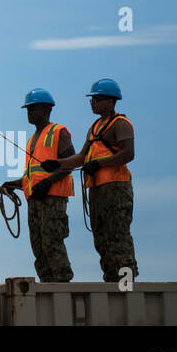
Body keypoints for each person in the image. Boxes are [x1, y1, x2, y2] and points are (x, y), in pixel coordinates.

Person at [43, 78, 138, 283]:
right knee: (101, 237)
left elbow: (128, 154)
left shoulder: (120, 124)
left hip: (116, 189)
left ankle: (127, 285)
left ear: (111, 101)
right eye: (92, 99)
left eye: (97, 99)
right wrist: (58, 163)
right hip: (97, 190)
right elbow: (81, 158)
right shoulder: (94, 127)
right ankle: (112, 281)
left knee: (118, 237)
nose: (92, 102)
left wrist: (99, 164)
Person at [1, 88, 74, 282]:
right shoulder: (33, 139)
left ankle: (62, 285)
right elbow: (32, 174)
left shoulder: (58, 132)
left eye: (33, 109)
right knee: (39, 246)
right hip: (35, 200)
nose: (29, 113)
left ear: (47, 109)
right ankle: (48, 285)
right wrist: (15, 184)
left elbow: (71, 164)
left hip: (53, 199)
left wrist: (48, 182)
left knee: (52, 243)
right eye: (28, 109)